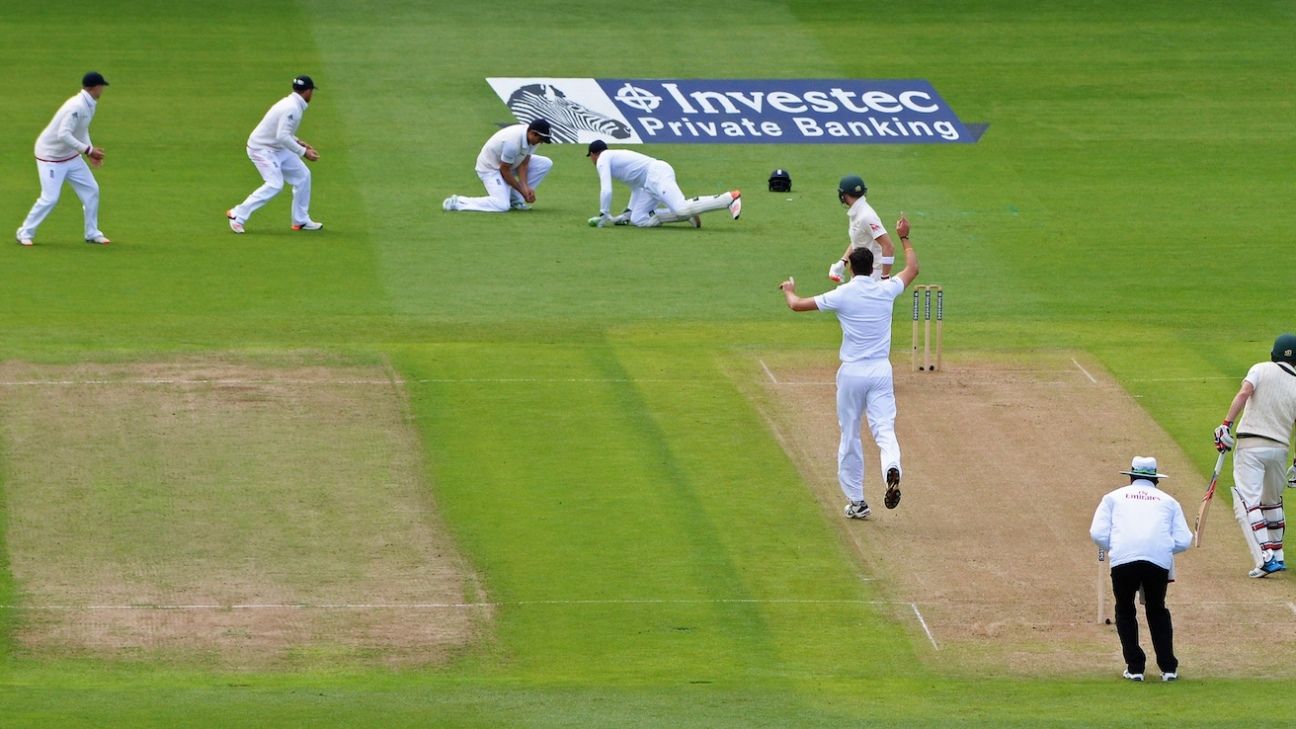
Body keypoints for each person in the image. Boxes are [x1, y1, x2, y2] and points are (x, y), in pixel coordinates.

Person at [778, 215, 918, 519]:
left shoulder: (842, 294)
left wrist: (789, 288)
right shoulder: (887, 289)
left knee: (850, 434)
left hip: (852, 374)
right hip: (881, 371)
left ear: (852, 268)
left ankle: (857, 502)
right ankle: (891, 469)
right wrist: (904, 237)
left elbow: (796, 305)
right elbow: (913, 269)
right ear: (873, 267)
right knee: (885, 430)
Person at [1089, 456, 1192, 682]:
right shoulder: (1169, 501)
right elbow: (1185, 540)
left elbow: (1097, 534)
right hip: (1158, 561)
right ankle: (1168, 668)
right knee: (1157, 610)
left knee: (1125, 610)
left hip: (1123, 559)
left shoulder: (1112, 498)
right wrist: (1161, 548)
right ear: (1156, 480)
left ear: (1132, 477)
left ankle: (1135, 668)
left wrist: (1116, 546)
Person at [1212, 332, 1296, 578]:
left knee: (1248, 502)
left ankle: (1265, 557)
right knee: (1272, 501)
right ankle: (1278, 555)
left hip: (1251, 445)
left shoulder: (1260, 368)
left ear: (1274, 353)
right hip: (1279, 449)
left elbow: (1244, 393)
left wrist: (1225, 424)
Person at [15, 72, 112, 247]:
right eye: (101, 86)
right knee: (50, 198)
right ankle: (24, 232)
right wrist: (87, 149)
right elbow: (63, 134)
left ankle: (92, 233)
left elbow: (82, 130)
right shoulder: (76, 107)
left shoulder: (90, 104)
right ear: (93, 88)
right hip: (50, 156)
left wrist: (89, 152)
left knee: (92, 190)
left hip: (70, 156)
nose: (102, 89)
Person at [226, 75, 323, 234]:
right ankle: (237, 214)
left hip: (277, 147)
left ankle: (300, 220)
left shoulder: (292, 104)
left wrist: (298, 141)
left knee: (303, 176)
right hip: (261, 149)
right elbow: (282, 136)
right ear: (308, 91)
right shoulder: (292, 108)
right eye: (312, 91)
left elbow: (282, 133)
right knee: (275, 184)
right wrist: (304, 152)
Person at [583, 140, 741, 228]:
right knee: (638, 219)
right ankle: (689, 214)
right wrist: (627, 213)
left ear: (593, 154)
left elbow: (606, 190)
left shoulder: (602, 159)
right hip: (647, 185)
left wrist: (604, 214)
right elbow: (636, 188)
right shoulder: (614, 158)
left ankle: (728, 198)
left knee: (680, 208)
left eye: (590, 156)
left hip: (657, 174)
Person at [443, 119, 553, 213]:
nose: (541, 143)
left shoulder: (532, 139)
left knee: (545, 163)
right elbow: (504, 171)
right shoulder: (512, 143)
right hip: (490, 169)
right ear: (533, 133)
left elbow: (524, 163)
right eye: (541, 139)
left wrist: (525, 188)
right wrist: (522, 191)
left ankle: (514, 200)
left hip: (509, 163)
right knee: (502, 205)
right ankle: (458, 202)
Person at [827, 175, 899, 283]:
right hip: (860, 274)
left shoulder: (866, 216)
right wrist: (843, 262)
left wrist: (885, 278)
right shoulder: (857, 212)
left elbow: (888, 246)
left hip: (873, 275)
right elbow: (859, 239)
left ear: (844, 195)